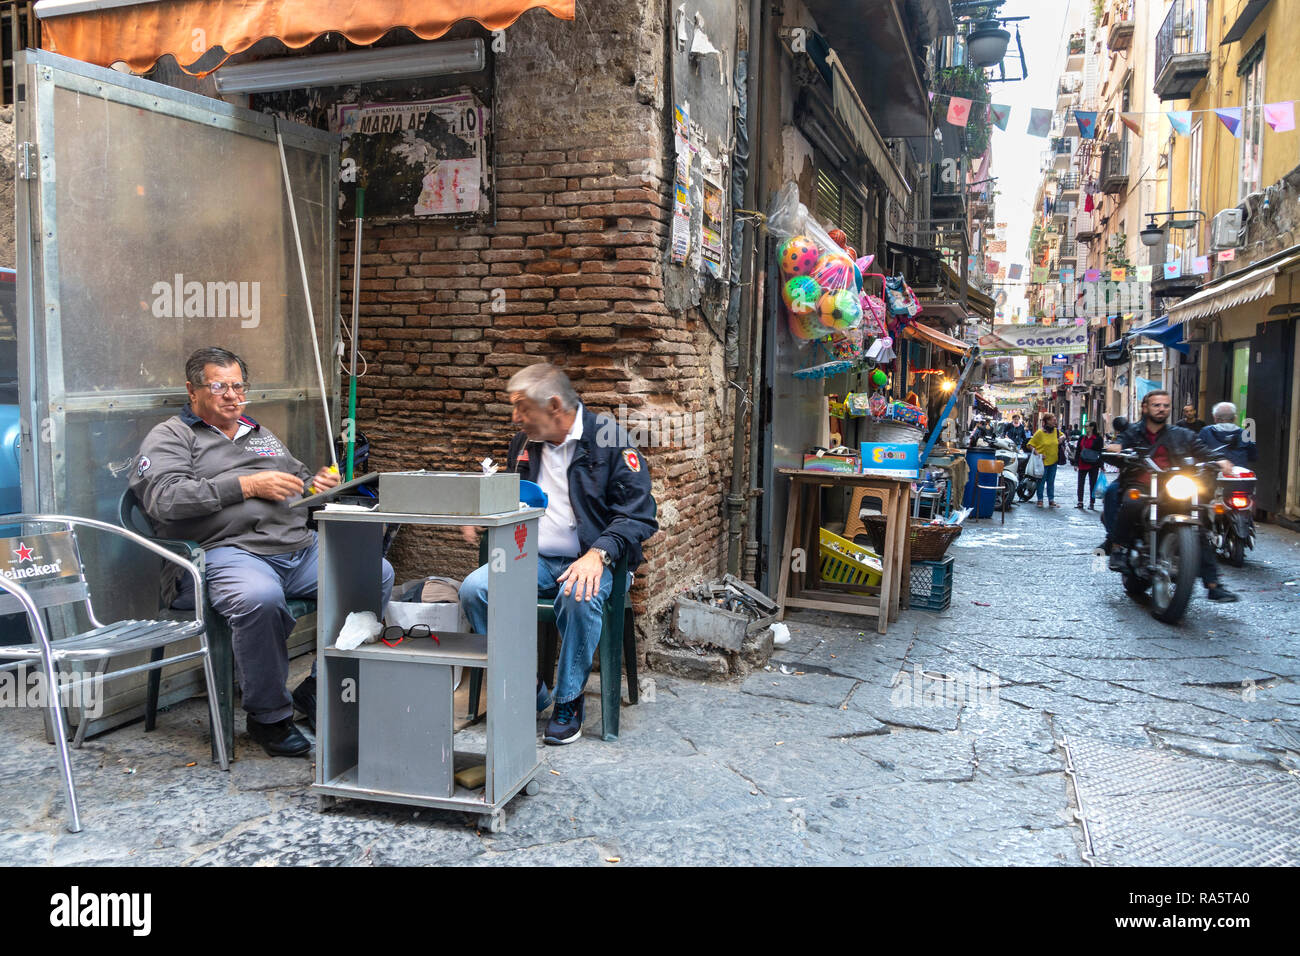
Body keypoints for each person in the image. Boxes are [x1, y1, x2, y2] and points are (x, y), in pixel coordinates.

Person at [131, 347, 395, 757]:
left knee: (374, 573)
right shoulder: (172, 437)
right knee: (260, 599)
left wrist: (317, 487)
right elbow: (163, 501)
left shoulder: (259, 431)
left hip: (295, 548)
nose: (232, 396)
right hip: (225, 552)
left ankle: (318, 690)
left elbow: (298, 483)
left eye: (238, 386)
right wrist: (246, 486)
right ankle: (269, 718)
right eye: (219, 386)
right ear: (192, 390)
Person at [458, 364, 658, 745]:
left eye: (521, 408)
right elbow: (514, 498)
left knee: (577, 592)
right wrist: (480, 513)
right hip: (535, 559)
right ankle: (529, 685)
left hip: (599, 559)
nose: (515, 418)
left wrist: (599, 553)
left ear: (553, 405)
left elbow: (639, 515)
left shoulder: (610, 439)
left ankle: (569, 700)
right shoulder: (525, 442)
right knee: (474, 590)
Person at [1103, 389, 1238, 602]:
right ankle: (1118, 547)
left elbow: (1202, 450)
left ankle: (1214, 585)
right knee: (1132, 501)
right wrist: (1115, 448)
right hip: (1142, 485)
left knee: (1200, 527)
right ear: (1146, 408)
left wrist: (1220, 460)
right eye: (1156, 405)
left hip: (1172, 487)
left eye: (1165, 405)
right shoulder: (1133, 432)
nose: (1161, 409)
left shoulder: (1182, 434)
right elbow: (1119, 445)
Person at [1198, 402, 1257, 467]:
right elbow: (1253, 456)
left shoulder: (1206, 431)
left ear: (1215, 418)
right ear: (1235, 418)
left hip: (1213, 472)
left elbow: (1198, 453)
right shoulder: (1245, 433)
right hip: (1238, 473)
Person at [1026, 412, 1066, 508]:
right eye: (1053, 420)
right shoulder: (1040, 433)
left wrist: (1062, 437)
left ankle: (1051, 500)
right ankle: (1040, 500)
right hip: (1042, 462)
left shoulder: (1056, 431)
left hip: (1054, 461)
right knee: (1041, 481)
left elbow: (1063, 435)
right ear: (1047, 421)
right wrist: (1038, 454)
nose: (1055, 421)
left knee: (1051, 481)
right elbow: (1029, 445)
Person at [1075, 421, 1104, 510]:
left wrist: (1101, 465)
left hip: (1093, 464)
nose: (1085, 427)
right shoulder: (1082, 438)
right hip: (1082, 463)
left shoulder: (1098, 438)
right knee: (1080, 483)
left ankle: (1092, 503)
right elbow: (1078, 451)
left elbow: (1100, 452)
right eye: (1084, 426)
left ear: (1092, 427)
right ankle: (1080, 502)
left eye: (1087, 426)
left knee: (1093, 484)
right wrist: (1076, 463)